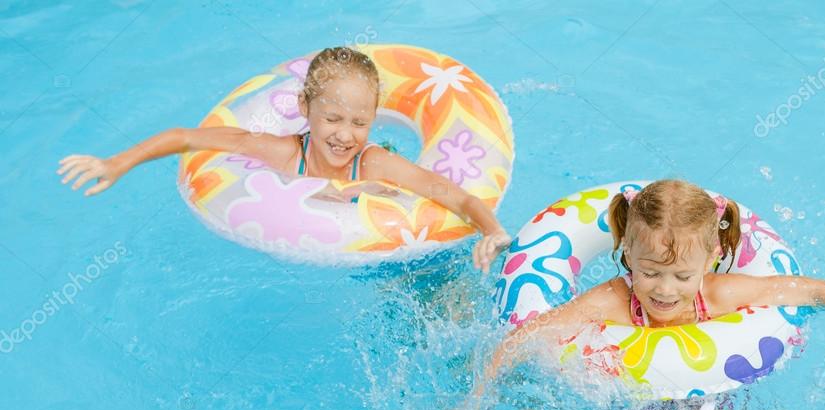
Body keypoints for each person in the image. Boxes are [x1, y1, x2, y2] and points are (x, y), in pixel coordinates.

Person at [434, 178, 825, 410]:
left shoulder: (720, 293)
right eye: (650, 272)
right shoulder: (614, 297)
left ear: (712, 259)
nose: (664, 290)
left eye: (683, 276)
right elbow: (532, 333)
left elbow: (808, 290)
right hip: (628, 404)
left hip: (706, 393)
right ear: (628, 254)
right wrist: (474, 401)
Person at [57, 46, 511, 271]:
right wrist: (116, 163)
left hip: (409, 255)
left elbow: (452, 195)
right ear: (304, 110)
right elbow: (186, 137)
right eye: (333, 118)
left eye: (360, 123)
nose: (345, 135)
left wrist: (491, 231)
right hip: (350, 256)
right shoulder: (278, 153)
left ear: (375, 120)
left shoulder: (374, 163)